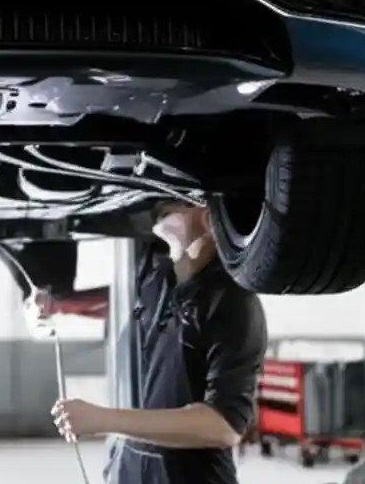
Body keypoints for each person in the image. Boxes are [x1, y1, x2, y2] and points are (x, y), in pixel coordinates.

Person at [39, 202, 267, 484]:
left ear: (210, 220)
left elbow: (223, 426)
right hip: (132, 469)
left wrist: (104, 420)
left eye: (182, 199)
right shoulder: (157, 280)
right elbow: (127, 305)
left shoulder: (232, 302)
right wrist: (62, 304)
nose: (163, 203)